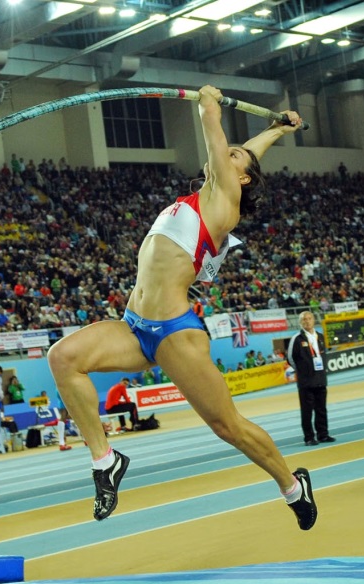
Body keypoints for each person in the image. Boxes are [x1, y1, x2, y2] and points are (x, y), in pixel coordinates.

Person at [47, 85, 317, 531]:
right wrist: (276, 131)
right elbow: (239, 153)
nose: (227, 155)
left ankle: (292, 485)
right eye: (229, 153)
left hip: (174, 331)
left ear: (242, 179)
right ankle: (105, 461)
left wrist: (209, 105)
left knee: (228, 427)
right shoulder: (211, 192)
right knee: (64, 358)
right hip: (133, 325)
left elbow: (217, 136)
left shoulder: (223, 201)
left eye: (234, 158)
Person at [286, 311, 335, 446]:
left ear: (313, 320)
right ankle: (309, 437)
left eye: (309, 318)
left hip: (320, 379)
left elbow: (323, 355)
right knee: (307, 411)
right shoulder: (297, 339)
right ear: (300, 322)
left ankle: (323, 434)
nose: (307, 321)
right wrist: (302, 371)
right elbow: (290, 358)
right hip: (306, 382)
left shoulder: (320, 337)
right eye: (304, 319)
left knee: (321, 409)